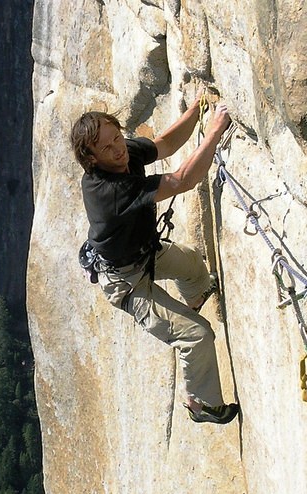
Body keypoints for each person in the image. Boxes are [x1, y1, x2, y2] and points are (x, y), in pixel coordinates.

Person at [70, 95, 240, 425]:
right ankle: (203, 405)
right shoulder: (108, 189)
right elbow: (182, 181)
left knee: (192, 264)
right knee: (197, 336)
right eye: (107, 148)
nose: (118, 149)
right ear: (91, 159)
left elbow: (164, 144)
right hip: (126, 282)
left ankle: (196, 298)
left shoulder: (120, 153)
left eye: (117, 137)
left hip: (144, 251)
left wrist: (195, 110)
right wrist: (215, 131)